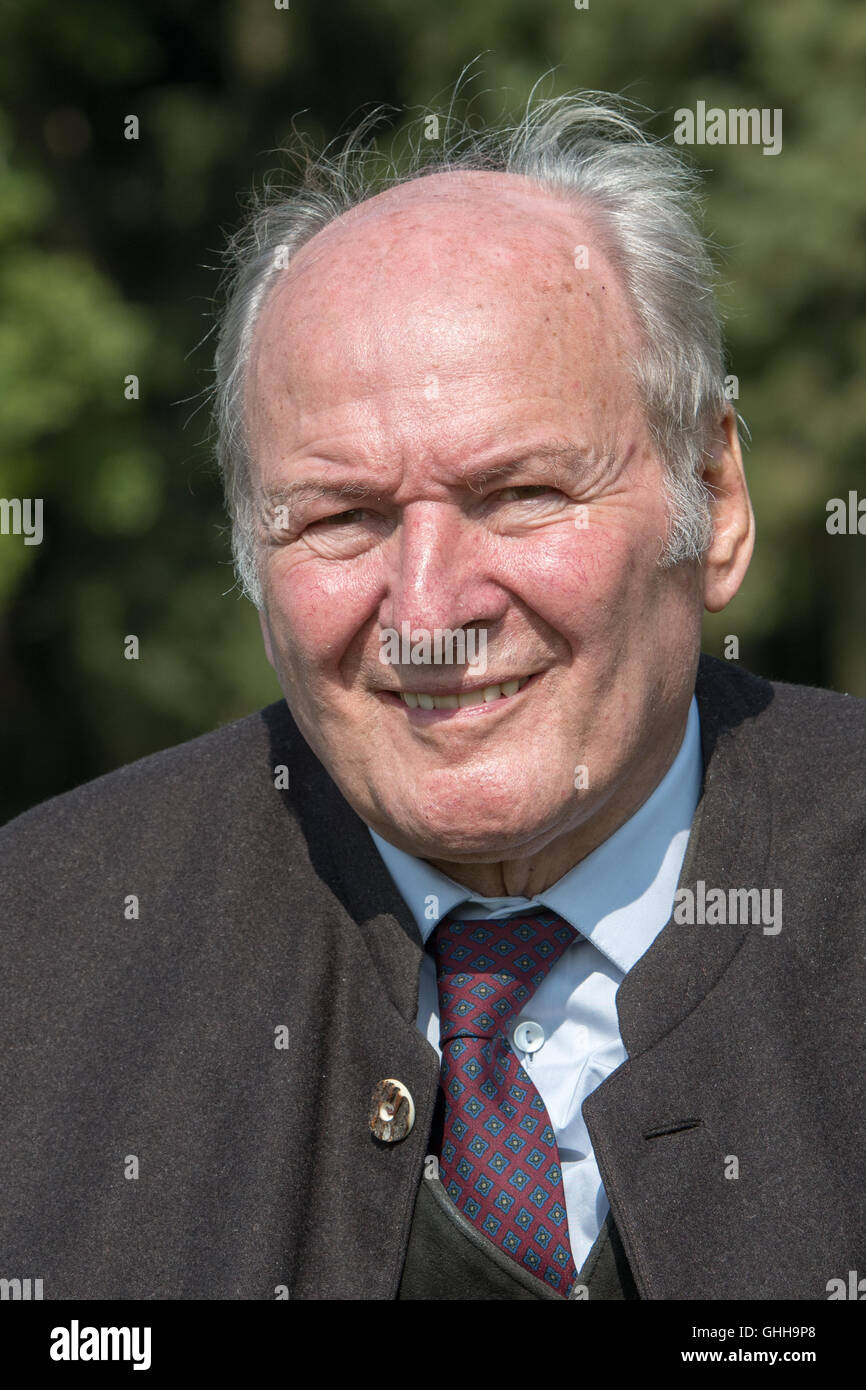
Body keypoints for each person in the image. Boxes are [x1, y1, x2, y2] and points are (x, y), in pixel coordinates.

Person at [1, 93, 863, 1302]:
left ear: (712, 500)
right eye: (343, 517)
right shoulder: (37, 964)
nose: (427, 607)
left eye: (518, 493)